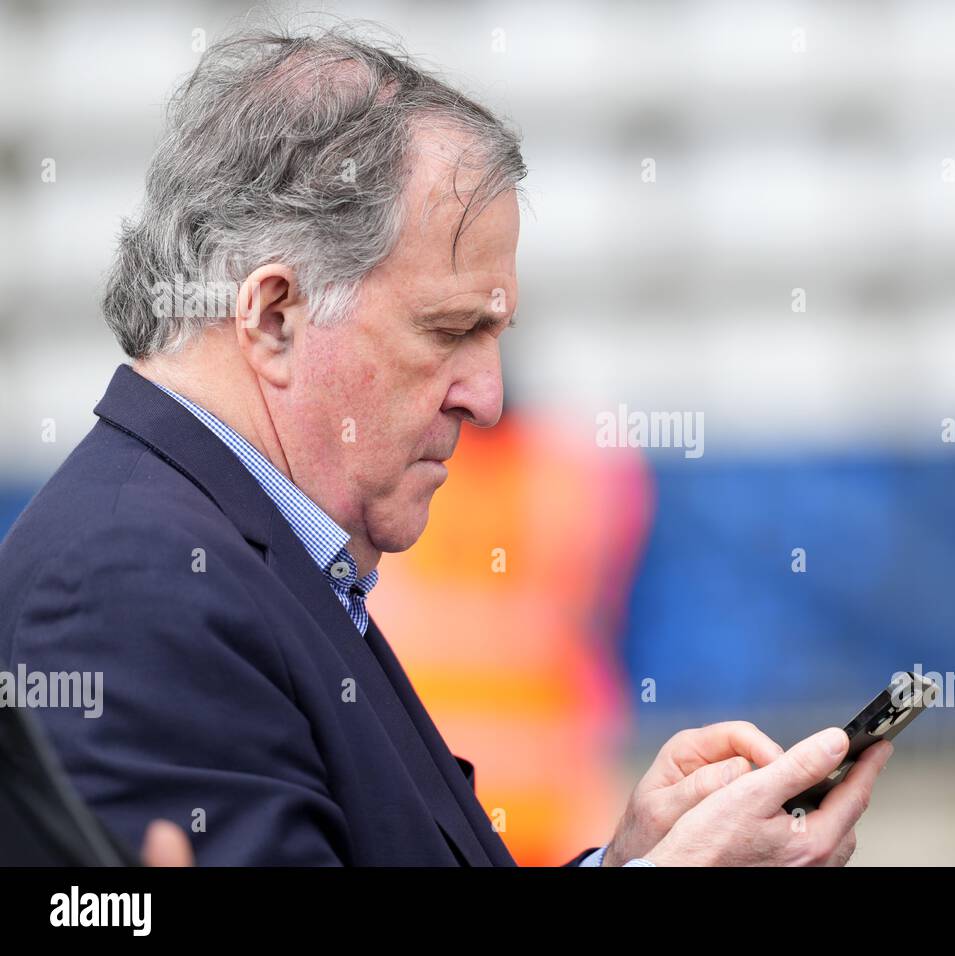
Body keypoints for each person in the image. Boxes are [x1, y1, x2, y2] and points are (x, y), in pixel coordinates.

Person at [0, 23, 889, 866]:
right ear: (273, 316)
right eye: (449, 330)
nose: (491, 399)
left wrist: (630, 859)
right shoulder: (135, 583)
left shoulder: (229, 552)